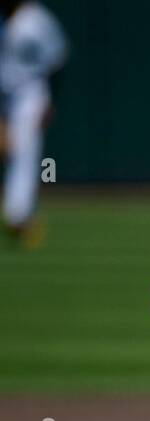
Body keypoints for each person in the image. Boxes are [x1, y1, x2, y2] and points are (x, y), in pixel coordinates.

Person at [0, 0, 66, 244]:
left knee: (24, 155)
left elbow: (58, 58)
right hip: (8, 97)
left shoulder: (37, 18)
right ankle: (17, 214)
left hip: (30, 94)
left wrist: (50, 99)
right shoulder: (9, 19)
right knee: (17, 154)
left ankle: (17, 215)